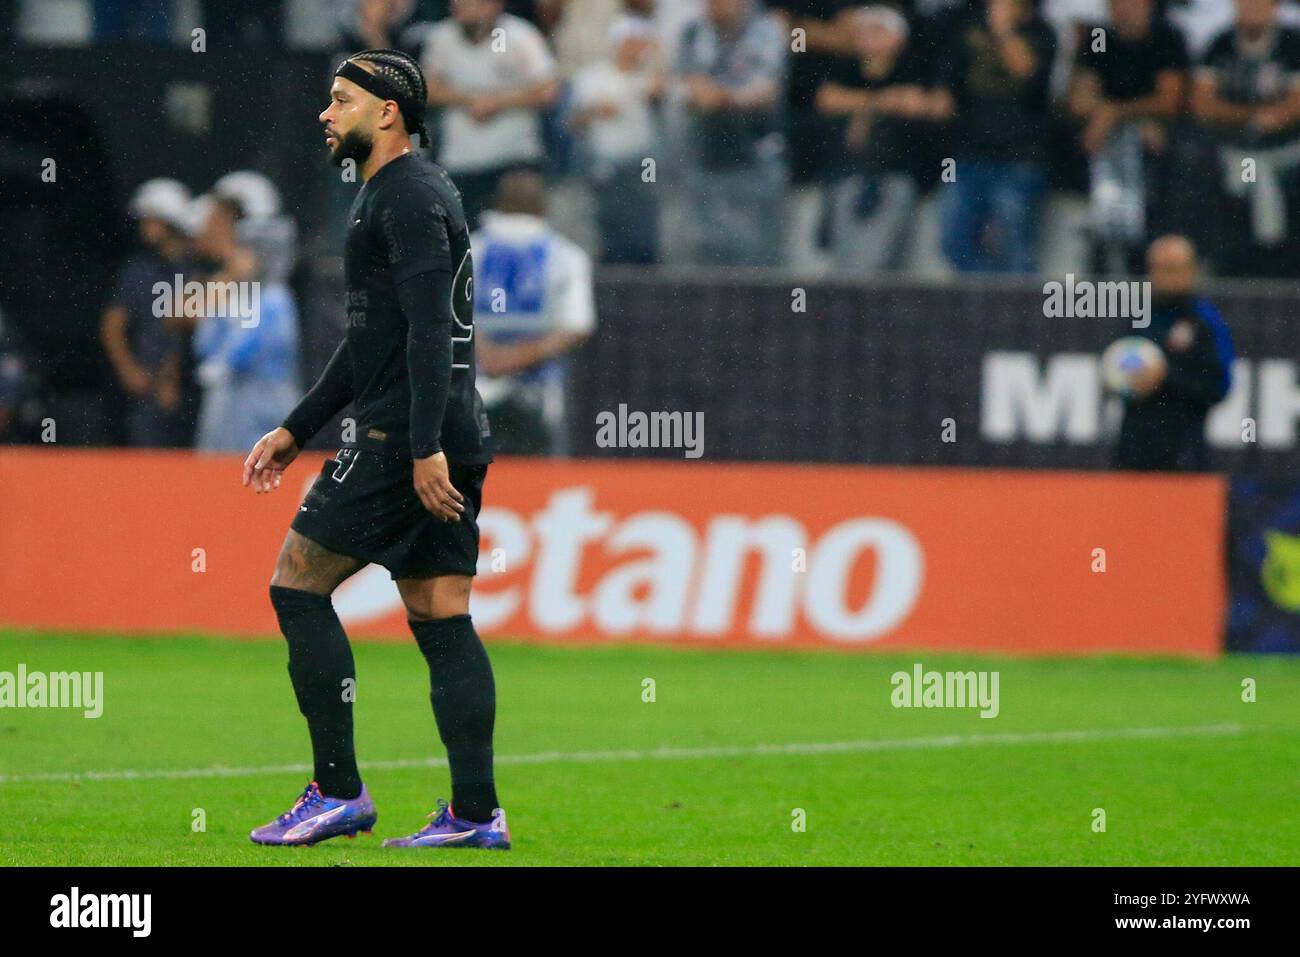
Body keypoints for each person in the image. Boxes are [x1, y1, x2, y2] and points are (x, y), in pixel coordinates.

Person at [241, 49, 506, 850]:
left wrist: (420, 445)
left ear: (387, 111)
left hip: (405, 437)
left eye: (341, 100)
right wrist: (297, 427)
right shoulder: (399, 194)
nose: (327, 114)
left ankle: (338, 790)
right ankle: (472, 813)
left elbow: (431, 333)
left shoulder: (408, 196)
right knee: (439, 612)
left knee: (296, 584)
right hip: (443, 432)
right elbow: (374, 342)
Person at [815, 5, 947, 274]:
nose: (867, 38)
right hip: (848, 175)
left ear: (897, 36)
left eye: (876, 31)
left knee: (881, 262)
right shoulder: (846, 67)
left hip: (896, 176)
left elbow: (931, 104)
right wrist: (881, 103)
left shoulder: (914, 67)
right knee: (845, 260)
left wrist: (868, 108)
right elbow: (827, 99)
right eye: (863, 31)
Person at [473, 170, 597, 453]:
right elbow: (577, 326)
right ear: (544, 207)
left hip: (476, 385)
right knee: (539, 472)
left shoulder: (469, 249)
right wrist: (517, 358)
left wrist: (491, 356)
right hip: (540, 390)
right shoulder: (567, 256)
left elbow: (445, 313)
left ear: (497, 203)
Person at [933, 0, 1057, 273]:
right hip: (967, 155)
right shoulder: (968, 29)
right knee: (952, 241)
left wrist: (1002, 29)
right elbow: (946, 91)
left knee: (1015, 247)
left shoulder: (1041, 32)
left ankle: (1016, 312)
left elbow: (1030, 75)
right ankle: (989, 308)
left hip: (1019, 158)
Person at [1069, 0, 1189, 273]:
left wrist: (1116, 114)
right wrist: (1109, 116)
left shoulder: (1166, 37)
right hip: (1103, 141)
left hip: (1155, 142)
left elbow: (1169, 101)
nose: (1125, 8)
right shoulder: (1099, 37)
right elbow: (1079, 99)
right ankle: (1099, 264)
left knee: (1158, 150)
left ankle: (1153, 265)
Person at [421, 0, 561, 226]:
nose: (468, 10)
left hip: (514, 158)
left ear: (495, 6)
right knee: (466, 243)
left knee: (518, 235)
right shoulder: (442, 37)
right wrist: (470, 98)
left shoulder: (520, 35)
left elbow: (549, 88)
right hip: (461, 160)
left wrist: (499, 101)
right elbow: (426, 87)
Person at [1191, 0, 1300, 277]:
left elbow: (1294, 106)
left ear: (1274, 8)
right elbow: (1202, 103)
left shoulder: (1291, 43)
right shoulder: (1221, 43)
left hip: (1285, 153)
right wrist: (1253, 116)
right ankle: (1222, 270)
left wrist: (1268, 117)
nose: (1251, 10)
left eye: (1259, 4)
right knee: (1231, 186)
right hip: (1237, 151)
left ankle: (1283, 271)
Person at [677, 0, 788, 267]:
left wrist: (723, 98)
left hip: (755, 154)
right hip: (705, 155)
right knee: (705, 252)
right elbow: (687, 84)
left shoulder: (766, 30)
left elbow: (766, 91)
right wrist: (712, 96)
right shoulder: (693, 32)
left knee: (756, 256)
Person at [1115, 235, 1235, 472]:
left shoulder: (1205, 320)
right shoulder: (1139, 317)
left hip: (1183, 453)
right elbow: (1115, 366)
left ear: (1190, 270)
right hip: (1133, 454)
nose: (1162, 275)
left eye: (1171, 268)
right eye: (1156, 268)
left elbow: (1220, 385)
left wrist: (1165, 376)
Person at [100, 178, 199, 448]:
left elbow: (184, 328)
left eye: (151, 220)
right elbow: (112, 326)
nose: (145, 227)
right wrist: (129, 371)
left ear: (171, 223)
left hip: (191, 388)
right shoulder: (138, 270)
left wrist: (172, 379)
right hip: (148, 392)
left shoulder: (197, 267)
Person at [568, 13, 663, 263]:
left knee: (644, 228)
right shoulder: (593, 77)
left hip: (644, 166)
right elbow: (573, 121)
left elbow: (662, 94)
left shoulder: (649, 78)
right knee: (610, 226)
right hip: (606, 165)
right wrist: (596, 110)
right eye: (630, 42)